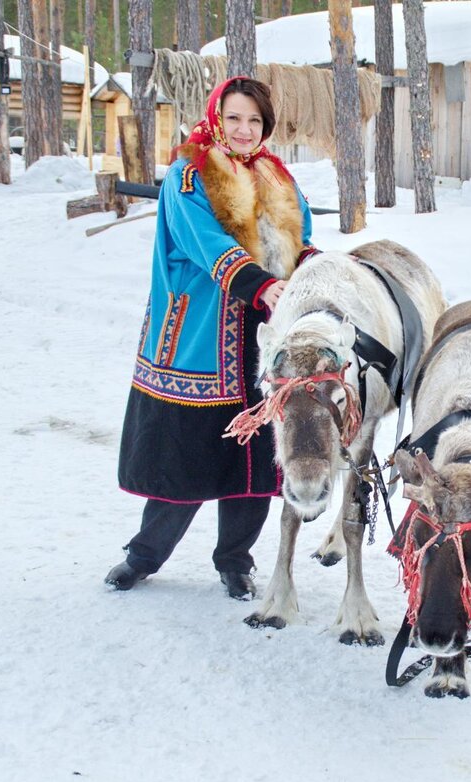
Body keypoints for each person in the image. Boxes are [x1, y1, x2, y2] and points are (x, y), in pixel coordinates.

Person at [105, 76, 315, 599]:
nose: (245, 130)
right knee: (186, 456)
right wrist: (262, 285)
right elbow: (206, 242)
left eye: (255, 121)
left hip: (262, 337)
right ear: (217, 117)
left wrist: (313, 271)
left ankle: (235, 561)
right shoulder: (189, 175)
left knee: (253, 459)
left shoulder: (279, 179)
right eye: (236, 118)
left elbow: (300, 241)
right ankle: (144, 555)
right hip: (200, 334)